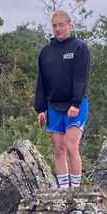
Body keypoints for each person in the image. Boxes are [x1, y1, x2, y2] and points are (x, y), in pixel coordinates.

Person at [33, 10, 90, 191]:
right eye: (54, 25)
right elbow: (41, 81)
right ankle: (64, 190)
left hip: (76, 105)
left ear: (69, 25)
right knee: (59, 149)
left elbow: (82, 78)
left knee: (71, 146)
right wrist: (40, 108)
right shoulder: (46, 51)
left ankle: (76, 189)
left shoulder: (79, 47)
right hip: (54, 106)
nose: (57, 29)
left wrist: (76, 103)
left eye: (61, 25)